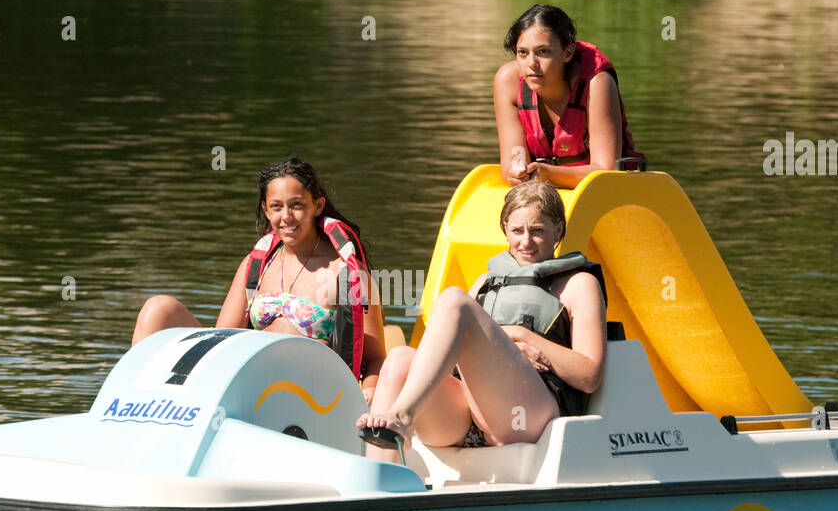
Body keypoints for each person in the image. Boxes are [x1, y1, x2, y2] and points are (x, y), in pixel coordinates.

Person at [356, 181, 605, 460]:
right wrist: (507, 340)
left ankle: (402, 416)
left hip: (528, 418)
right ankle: (379, 479)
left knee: (454, 300)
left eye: (537, 231)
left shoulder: (579, 284)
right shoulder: (486, 282)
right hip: (469, 418)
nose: (526, 242)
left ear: (558, 230)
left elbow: (589, 375)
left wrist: (522, 336)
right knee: (400, 359)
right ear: (505, 229)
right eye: (517, 231)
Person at [131, 157, 386, 402]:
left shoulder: (347, 273)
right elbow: (224, 337)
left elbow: (375, 359)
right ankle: (131, 403)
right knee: (158, 310)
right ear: (265, 209)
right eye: (276, 206)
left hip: (308, 396)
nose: (286, 216)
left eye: (296, 205)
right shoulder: (257, 264)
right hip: (248, 382)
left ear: (317, 206)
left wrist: (369, 392)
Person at [493, 4, 645, 189]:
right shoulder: (507, 82)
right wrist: (517, 174)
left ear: (568, 52)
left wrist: (546, 174)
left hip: (607, 192)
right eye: (523, 52)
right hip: (540, 193)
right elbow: (511, 165)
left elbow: (606, 171)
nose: (531, 64)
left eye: (543, 52)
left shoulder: (596, 83)